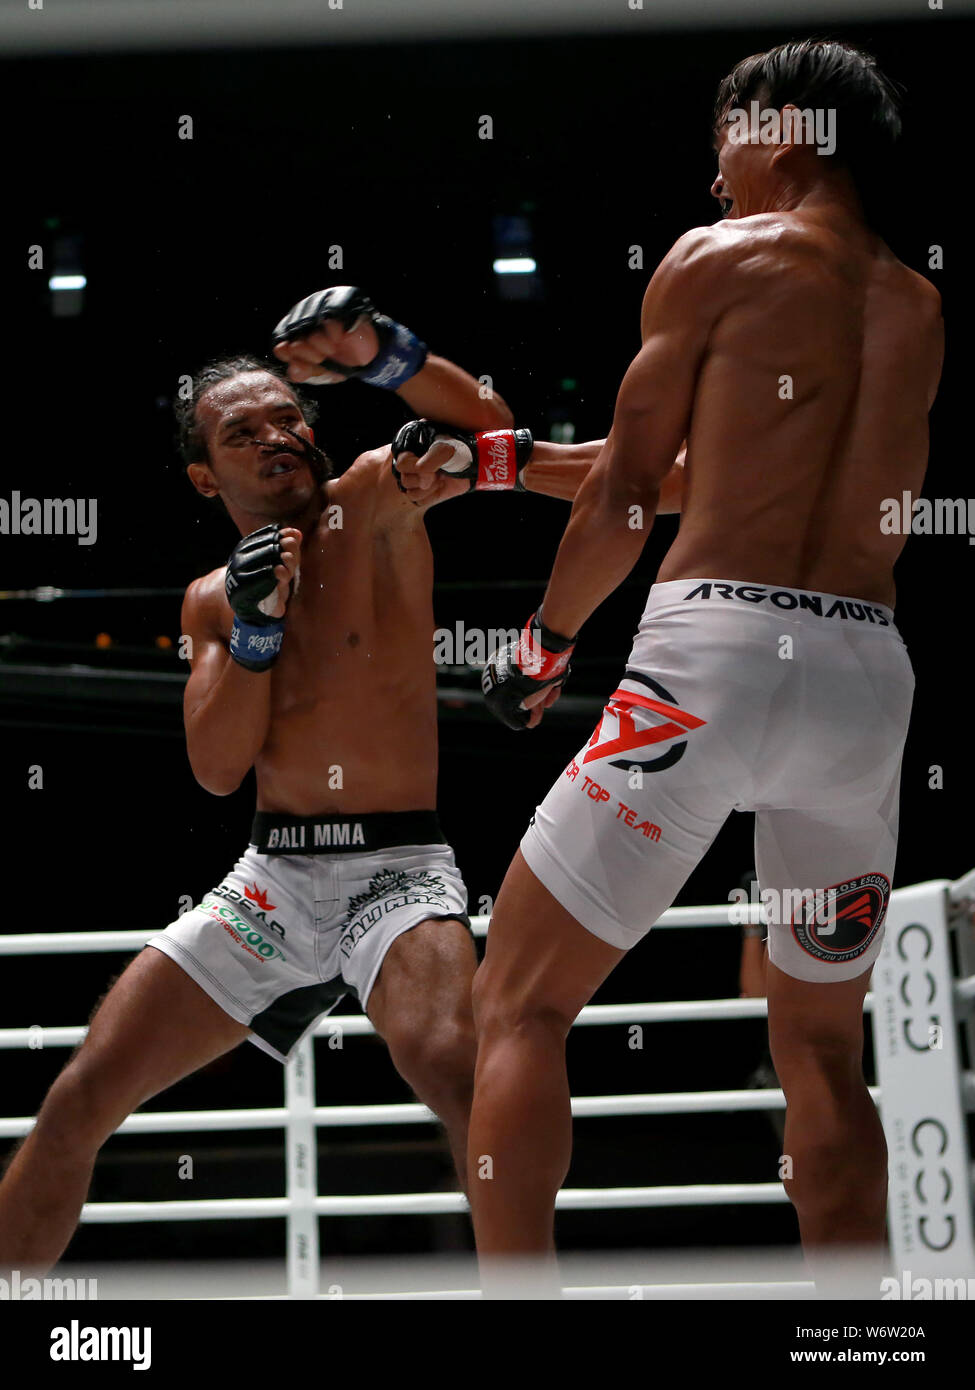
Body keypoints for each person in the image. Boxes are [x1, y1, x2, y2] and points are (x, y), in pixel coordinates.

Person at [0, 286, 665, 1274]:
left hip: (397, 869)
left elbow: (483, 433)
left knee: (454, 1066)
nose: (277, 432)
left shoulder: (371, 499)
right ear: (202, 474)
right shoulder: (209, 602)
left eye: (286, 414)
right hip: (271, 880)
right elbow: (219, 769)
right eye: (244, 428)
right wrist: (257, 634)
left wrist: (379, 354)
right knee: (76, 1098)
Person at [459, 39, 944, 1290]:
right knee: (825, 1053)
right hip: (865, 675)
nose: (715, 172)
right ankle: (864, 1330)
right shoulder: (917, 305)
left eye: (725, 138)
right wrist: (510, 460)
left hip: (711, 656)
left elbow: (631, 491)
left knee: (514, 1003)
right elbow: (735, 475)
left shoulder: (713, 259)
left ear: (782, 132)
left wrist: (544, 641)